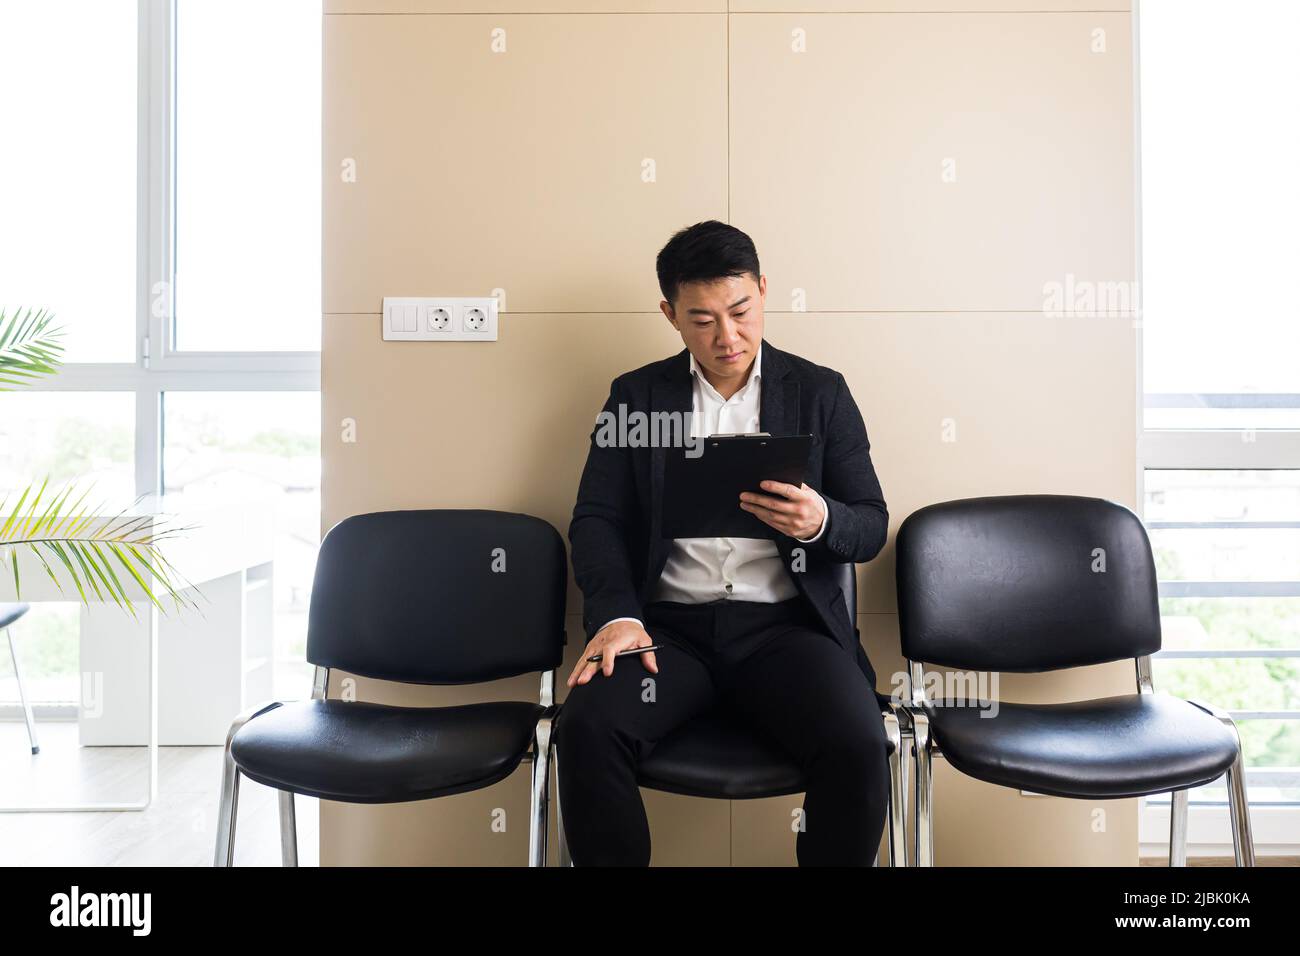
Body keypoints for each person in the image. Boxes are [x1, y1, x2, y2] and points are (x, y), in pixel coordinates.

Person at [556, 219, 891, 866]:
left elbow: (871, 523)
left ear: (763, 291)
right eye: (702, 319)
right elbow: (596, 519)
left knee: (857, 740)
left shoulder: (821, 393)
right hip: (665, 636)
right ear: (670, 315)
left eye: (740, 311)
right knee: (588, 728)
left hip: (786, 635)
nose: (727, 337)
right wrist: (619, 617)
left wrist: (820, 520)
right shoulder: (637, 396)